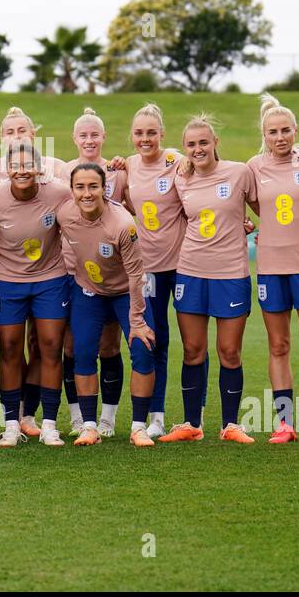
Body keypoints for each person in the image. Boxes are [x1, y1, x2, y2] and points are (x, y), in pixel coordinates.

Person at [158, 115, 258, 444]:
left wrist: (247, 225)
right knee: (192, 350)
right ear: (184, 149)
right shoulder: (180, 177)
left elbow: (264, 209)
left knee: (229, 351)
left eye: (203, 142)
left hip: (230, 273)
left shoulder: (240, 172)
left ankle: (231, 425)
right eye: (191, 144)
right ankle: (191, 423)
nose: (198, 149)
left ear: (215, 143)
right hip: (190, 270)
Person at [246, 94, 299, 445]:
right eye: (272, 132)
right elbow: (248, 201)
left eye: (285, 131)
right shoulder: (253, 167)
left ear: (295, 131)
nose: (280, 137)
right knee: (278, 345)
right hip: (270, 266)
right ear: (264, 135)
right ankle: (285, 424)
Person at [0, 140, 73, 447]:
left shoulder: (58, 193)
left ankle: (48, 424)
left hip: (50, 280)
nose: (22, 171)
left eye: (27, 165)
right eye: (15, 166)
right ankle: (10, 424)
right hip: (6, 282)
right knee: (9, 348)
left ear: (39, 168)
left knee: (49, 346)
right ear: (7, 170)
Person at [58, 163, 157, 447]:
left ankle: (138, 427)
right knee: (83, 352)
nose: (86, 193)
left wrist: (137, 320)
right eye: (80, 187)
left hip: (126, 291)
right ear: (72, 190)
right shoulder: (65, 214)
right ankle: (90, 426)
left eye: (93, 187)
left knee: (143, 349)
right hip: (89, 291)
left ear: (104, 189)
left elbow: (137, 275)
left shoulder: (123, 224)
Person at [57, 108, 127, 436]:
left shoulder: (119, 172)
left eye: (94, 134)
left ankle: (108, 419)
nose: (89, 140)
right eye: (82, 135)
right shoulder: (63, 174)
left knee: (109, 347)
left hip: (113, 275)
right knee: (74, 347)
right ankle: (77, 417)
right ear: (74, 138)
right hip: (73, 274)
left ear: (103, 137)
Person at [120, 103, 184, 438]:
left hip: (185, 264)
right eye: (139, 133)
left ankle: (193, 418)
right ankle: (156, 416)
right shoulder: (127, 165)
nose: (145, 139)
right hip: (150, 268)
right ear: (132, 136)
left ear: (162, 135)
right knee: (155, 339)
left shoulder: (175, 161)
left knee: (193, 343)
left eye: (151, 133)